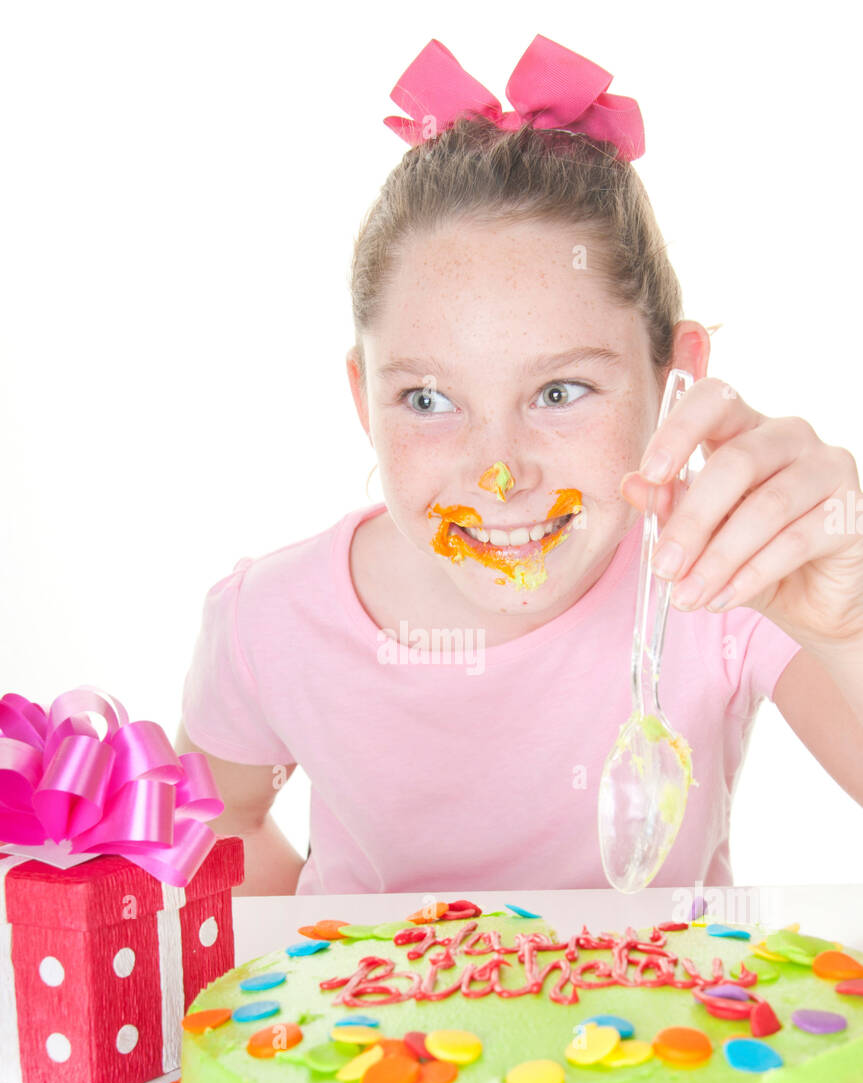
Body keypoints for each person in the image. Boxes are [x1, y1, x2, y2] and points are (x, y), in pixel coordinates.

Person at [176, 35, 863, 897]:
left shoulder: (728, 583)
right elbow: (223, 820)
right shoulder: (267, 623)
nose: (497, 473)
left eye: (560, 391)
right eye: (428, 400)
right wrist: (304, 970)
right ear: (363, 400)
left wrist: (846, 625)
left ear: (671, 377)